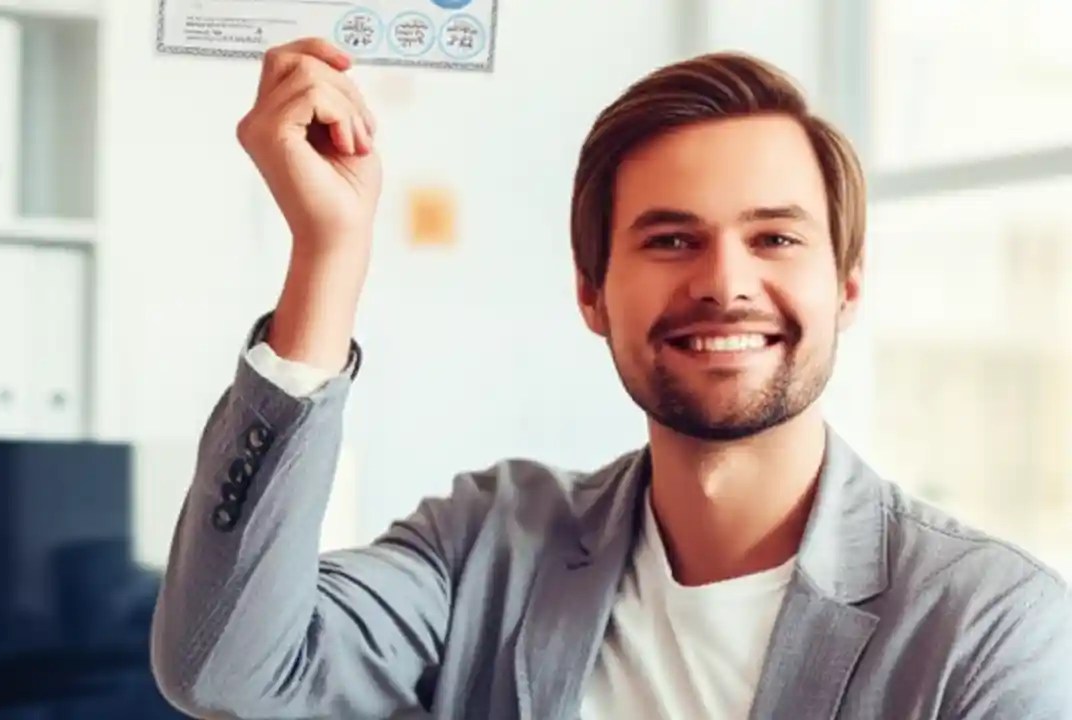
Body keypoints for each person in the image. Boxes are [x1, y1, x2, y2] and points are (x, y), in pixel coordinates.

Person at [149, 37, 1072, 720]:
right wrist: (329, 251)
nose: (724, 281)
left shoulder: (989, 627)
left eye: (775, 239)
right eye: (672, 239)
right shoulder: (489, 546)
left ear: (847, 288)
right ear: (592, 293)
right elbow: (224, 667)